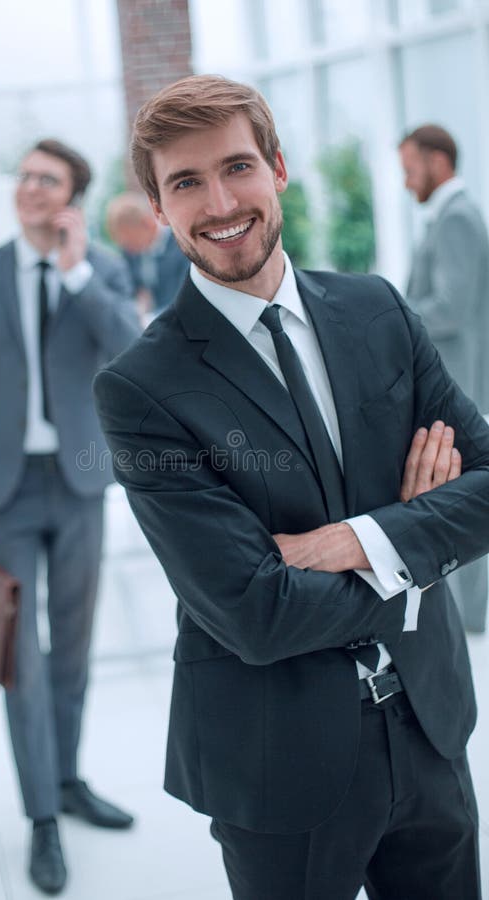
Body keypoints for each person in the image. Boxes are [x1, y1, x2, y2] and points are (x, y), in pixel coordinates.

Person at [93, 76, 489, 899]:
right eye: (186, 182)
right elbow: (254, 612)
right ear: (160, 210)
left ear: (277, 168)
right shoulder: (141, 387)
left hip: (429, 725)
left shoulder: (378, 310)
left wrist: (361, 542)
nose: (219, 201)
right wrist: (416, 546)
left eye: (237, 166)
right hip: (279, 762)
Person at [0, 138, 139, 895]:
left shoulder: (97, 271)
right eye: (23, 176)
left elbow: (130, 350)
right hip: (2, 491)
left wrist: (78, 269)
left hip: (82, 482)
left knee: (76, 648)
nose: (29, 188)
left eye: (46, 180)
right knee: (22, 655)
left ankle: (69, 780)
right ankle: (41, 819)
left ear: (72, 196)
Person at [399, 124, 489, 634]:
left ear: (438, 161)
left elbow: (451, 309)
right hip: (463, 384)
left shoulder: (456, 219)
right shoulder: (447, 217)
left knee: (469, 502)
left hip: (467, 387)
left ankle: (470, 618)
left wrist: (394, 314)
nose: (408, 183)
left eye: (411, 170)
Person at [106, 191, 188, 320]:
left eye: (130, 241)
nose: (129, 249)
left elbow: (183, 298)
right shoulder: (131, 254)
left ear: (147, 223)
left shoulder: (182, 248)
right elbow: (133, 289)